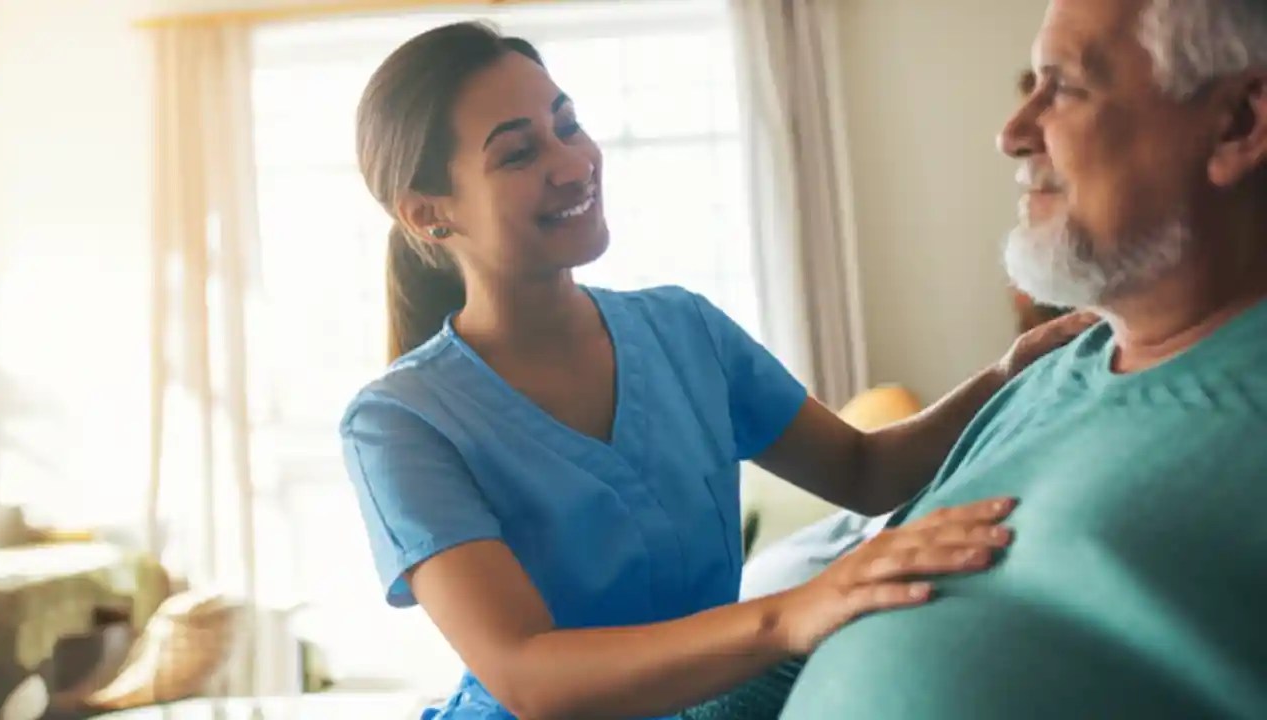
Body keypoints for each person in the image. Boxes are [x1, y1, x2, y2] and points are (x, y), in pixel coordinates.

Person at [339, 22, 1089, 720]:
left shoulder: (683, 329)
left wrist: (1008, 373)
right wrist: (793, 612)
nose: (571, 163)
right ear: (429, 214)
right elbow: (528, 673)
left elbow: (863, 471)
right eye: (517, 153)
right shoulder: (400, 422)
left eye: (567, 125)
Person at [781, 1, 1267, 718]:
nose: (1011, 134)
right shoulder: (1040, 379)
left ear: (1237, 125)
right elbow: (846, 606)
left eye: (1063, 86)